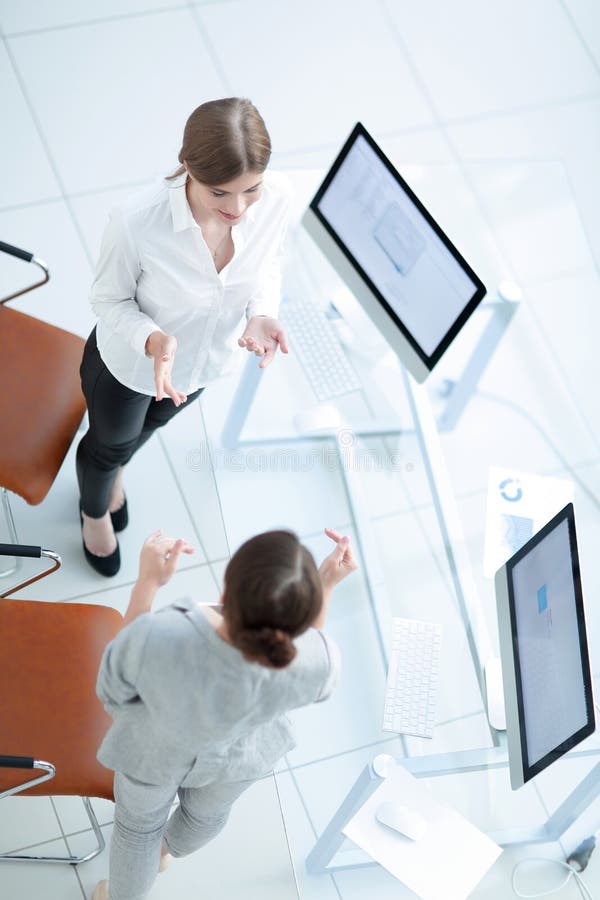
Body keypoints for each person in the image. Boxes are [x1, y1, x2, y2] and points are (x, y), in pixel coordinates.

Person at [77, 97, 291, 576]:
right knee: (107, 445)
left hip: (199, 367)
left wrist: (261, 313)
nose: (237, 208)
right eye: (220, 193)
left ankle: (114, 478)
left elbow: (268, 264)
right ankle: (93, 512)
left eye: (250, 190)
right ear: (188, 167)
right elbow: (107, 301)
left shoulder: (276, 198)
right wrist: (152, 339)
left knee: (149, 428)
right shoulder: (137, 221)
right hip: (127, 369)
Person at [92, 526, 357, 900]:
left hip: (153, 754)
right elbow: (311, 652)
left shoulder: (166, 633)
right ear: (300, 621)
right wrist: (326, 586)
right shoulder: (321, 660)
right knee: (205, 816)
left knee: (137, 832)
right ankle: (164, 852)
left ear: (226, 589)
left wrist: (147, 583)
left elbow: (112, 689)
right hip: (237, 760)